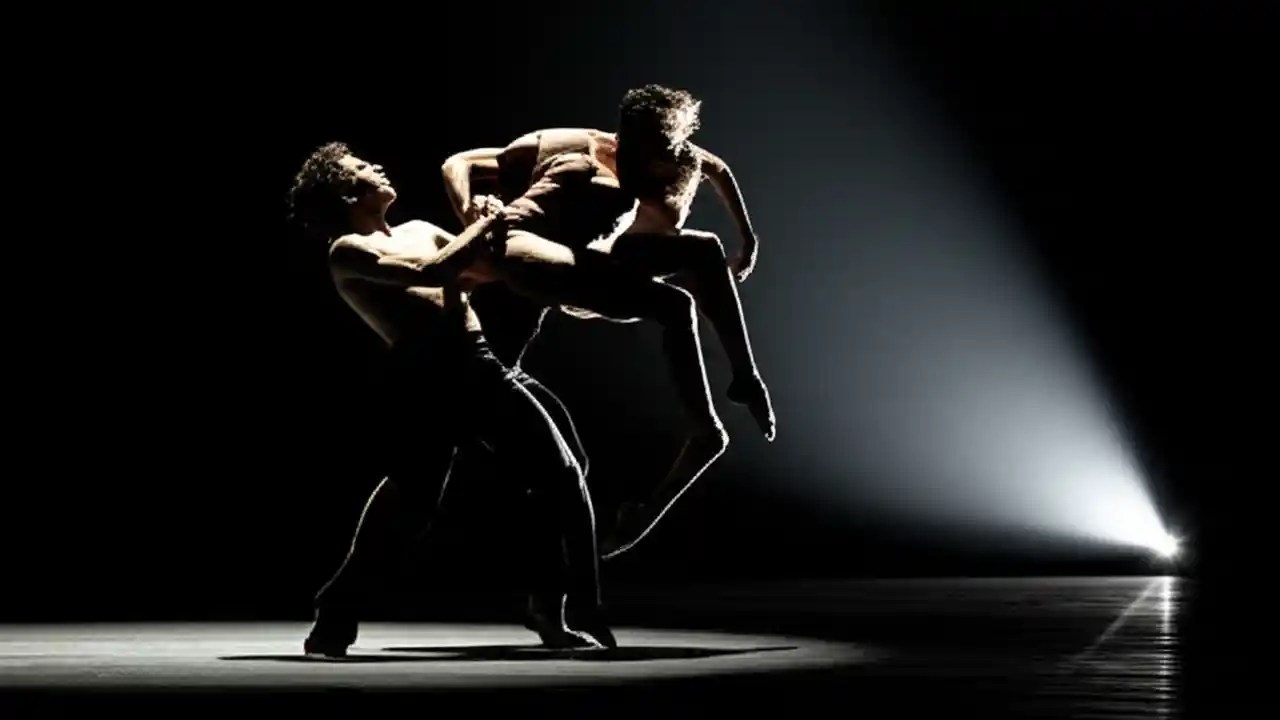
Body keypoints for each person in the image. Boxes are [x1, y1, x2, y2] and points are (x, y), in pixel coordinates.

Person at [285, 141, 615, 656]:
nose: (377, 164)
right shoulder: (347, 251)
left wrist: (511, 237)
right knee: (418, 500)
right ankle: (339, 607)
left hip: (478, 363)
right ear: (348, 193)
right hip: (430, 377)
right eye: (362, 167)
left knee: (558, 472)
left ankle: (551, 609)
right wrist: (484, 224)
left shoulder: (419, 230)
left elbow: (476, 267)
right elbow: (431, 273)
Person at [439, 85, 774, 558]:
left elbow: (716, 167)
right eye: (637, 163)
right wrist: (470, 208)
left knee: (703, 254)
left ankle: (737, 389)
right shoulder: (562, 149)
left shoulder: (673, 155)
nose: (642, 178)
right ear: (623, 139)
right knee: (479, 409)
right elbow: (459, 163)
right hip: (543, 269)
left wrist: (748, 236)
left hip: (598, 264)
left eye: (658, 164)